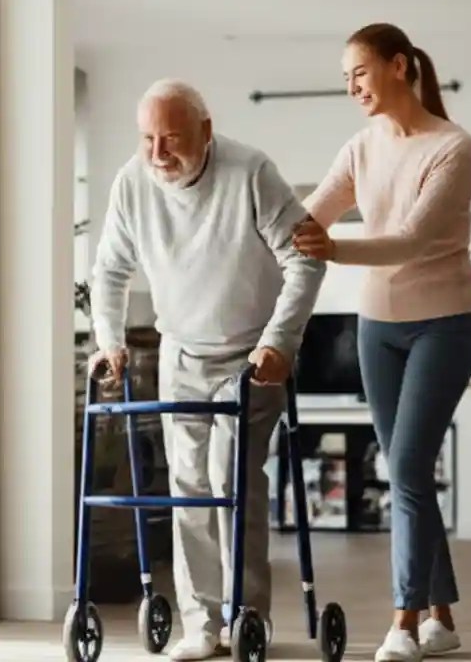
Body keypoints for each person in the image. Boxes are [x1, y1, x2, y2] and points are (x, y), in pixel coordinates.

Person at [90, 79, 325, 660]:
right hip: (182, 353)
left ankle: (247, 615)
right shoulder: (132, 182)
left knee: (231, 477)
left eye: (171, 138)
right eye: (147, 138)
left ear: (206, 131)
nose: (157, 154)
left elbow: (305, 257)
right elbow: (111, 271)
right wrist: (110, 341)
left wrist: (279, 342)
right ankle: (202, 624)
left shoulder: (250, 172)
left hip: (251, 356)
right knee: (188, 485)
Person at [292, 22, 471, 662]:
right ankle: (443, 618)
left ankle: (404, 621)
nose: (352, 88)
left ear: (400, 67)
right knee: (411, 472)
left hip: (444, 323)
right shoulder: (360, 146)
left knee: (402, 468)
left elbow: (412, 240)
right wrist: (269, 228)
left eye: (360, 73)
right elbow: (312, 212)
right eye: (345, 77)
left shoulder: (452, 147)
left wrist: (333, 248)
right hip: (376, 326)